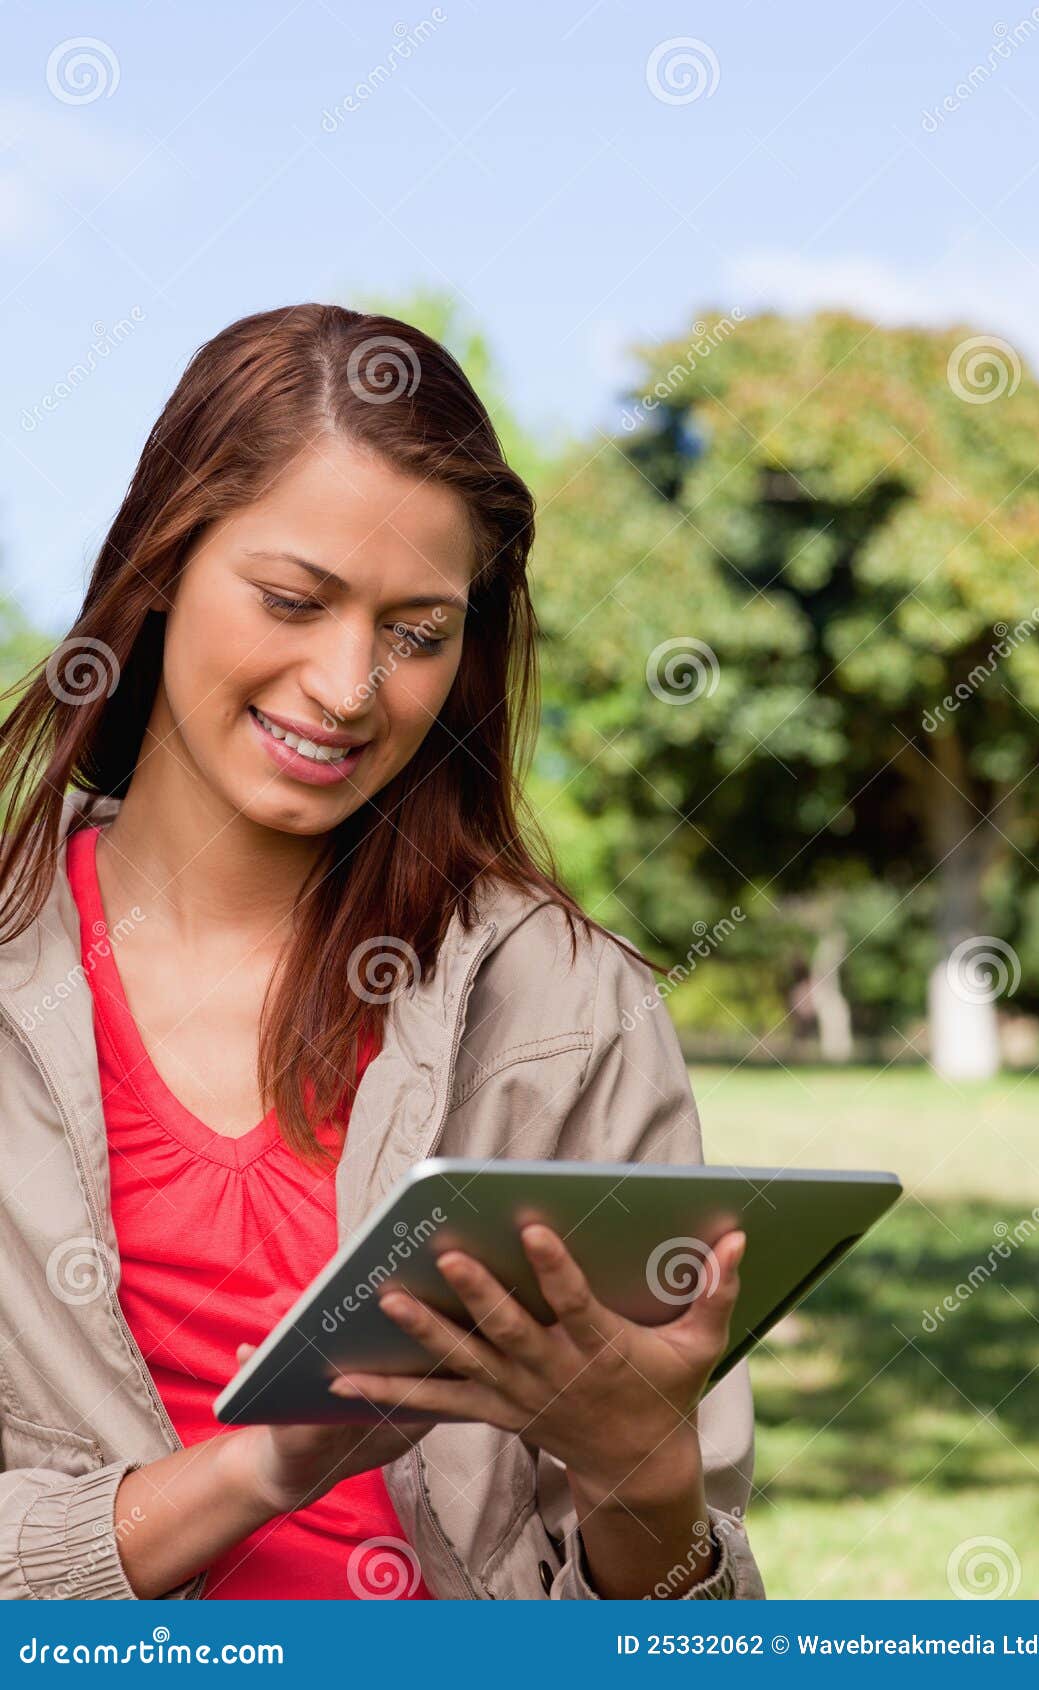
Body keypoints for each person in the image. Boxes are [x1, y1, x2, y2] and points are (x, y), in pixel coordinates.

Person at [0, 303, 764, 1602]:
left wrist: (645, 1473)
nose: (351, 684)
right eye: (294, 599)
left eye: (417, 629)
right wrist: (253, 1474)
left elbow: (690, 1650)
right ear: (162, 565)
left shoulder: (567, 1004)